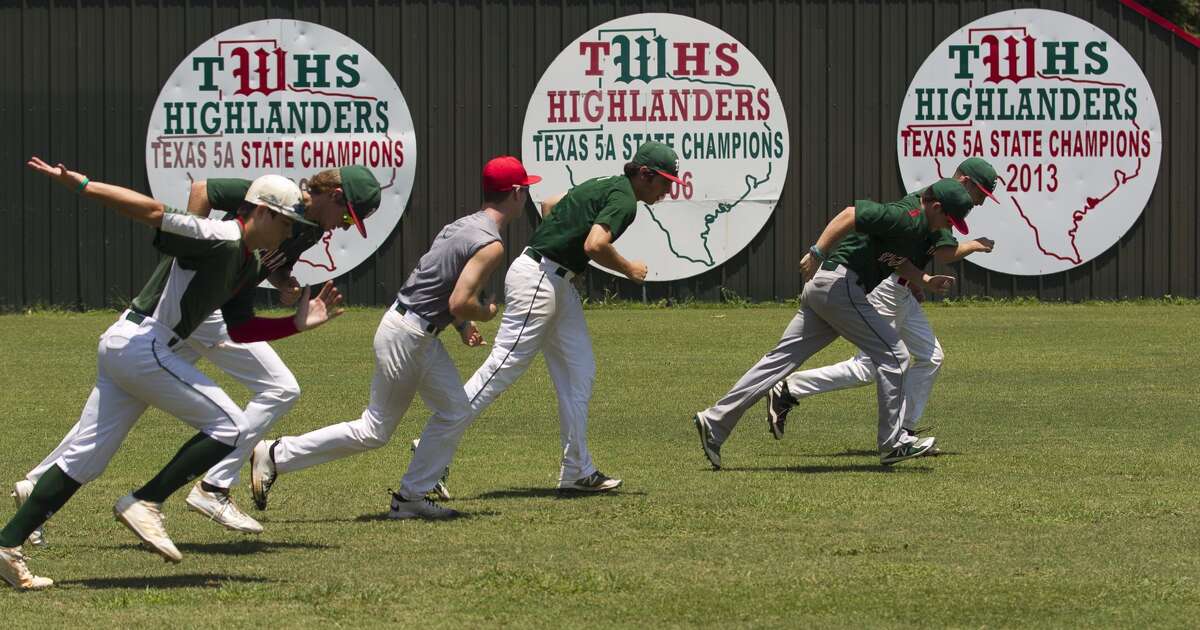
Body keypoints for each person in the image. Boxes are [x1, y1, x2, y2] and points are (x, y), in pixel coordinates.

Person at [0, 159, 344, 591]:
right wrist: (84, 184)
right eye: (287, 222)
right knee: (231, 426)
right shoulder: (219, 236)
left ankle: (7, 546)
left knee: (85, 460)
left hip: (130, 348)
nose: (291, 233)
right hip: (143, 344)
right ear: (263, 211)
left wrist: (294, 325)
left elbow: (240, 329)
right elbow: (152, 211)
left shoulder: (248, 262)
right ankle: (145, 501)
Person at [248, 156, 537, 519]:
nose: (525, 196)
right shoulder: (491, 244)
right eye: (525, 190)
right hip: (409, 334)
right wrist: (486, 312)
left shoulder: (462, 225)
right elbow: (459, 301)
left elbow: (434, 282)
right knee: (374, 430)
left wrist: (462, 326)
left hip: (414, 330)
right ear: (516, 193)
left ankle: (411, 497)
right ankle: (276, 454)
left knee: (455, 410)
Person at [402, 141, 682, 494]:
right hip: (540, 278)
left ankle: (577, 469)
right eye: (665, 181)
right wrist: (629, 269)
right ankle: (430, 447)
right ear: (645, 174)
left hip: (553, 280)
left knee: (579, 370)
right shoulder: (625, 201)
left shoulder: (606, 184)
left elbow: (550, 204)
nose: (668, 190)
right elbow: (595, 245)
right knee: (503, 368)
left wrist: (563, 244)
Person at [692, 178, 975, 470]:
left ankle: (715, 421)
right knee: (896, 357)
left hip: (826, 288)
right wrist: (817, 252)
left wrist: (924, 280)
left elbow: (897, 260)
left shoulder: (919, 227)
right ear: (936, 207)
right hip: (841, 285)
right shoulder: (905, 216)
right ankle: (893, 443)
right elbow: (850, 214)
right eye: (949, 220)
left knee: (777, 362)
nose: (949, 227)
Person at [765, 158, 1000, 442]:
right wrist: (975, 245)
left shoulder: (941, 200)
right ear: (965, 182)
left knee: (931, 357)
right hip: (887, 289)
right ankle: (790, 388)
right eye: (981, 193)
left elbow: (911, 251)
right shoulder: (942, 203)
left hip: (901, 289)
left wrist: (920, 281)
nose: (981, 202)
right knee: (868, 368)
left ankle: (904, 429)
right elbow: (944, 253)